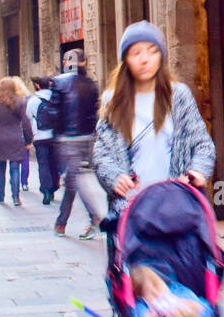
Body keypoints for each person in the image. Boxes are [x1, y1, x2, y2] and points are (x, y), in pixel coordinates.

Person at [92, 21, 216, 214]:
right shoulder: (113, 101)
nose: (145, 59)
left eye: (152, 51)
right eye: (136, 53)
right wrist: (115, 177)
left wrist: (197, 172)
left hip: (177, 207)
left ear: (161, 56)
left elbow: (203, 145)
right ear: (126, 59)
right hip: (132, 210)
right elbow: (102, 154)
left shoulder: (179, 96)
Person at [50, 49, 106, 239]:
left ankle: (94, 218)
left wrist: (56, 136)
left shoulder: (59, 82)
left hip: (69, 139)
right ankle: (61, 223)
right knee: (73, 180)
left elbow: (54, 113)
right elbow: (94, 112)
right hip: (87, 138)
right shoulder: (91, 84)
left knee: (73, 181)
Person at [0, 76, 33, 206]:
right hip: (15, 137)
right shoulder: (20, 101)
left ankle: (0, 195)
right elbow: (25, 122)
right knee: (15, 168)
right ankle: (16, 197)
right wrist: (28, 139)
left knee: (0, 168)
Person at [26, 75, 60, 205]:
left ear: (38, 85)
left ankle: (45, 190)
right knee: (54, 163)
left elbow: (28, 118)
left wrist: (30, 137)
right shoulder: (54, 99)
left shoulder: (33, 101)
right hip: (54, 136)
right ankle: (53, 188)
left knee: (43, 164)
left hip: (40, 136)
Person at [14, 77, 35, 191]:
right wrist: (29, 139)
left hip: (12, 134)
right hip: (23, 133)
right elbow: (27, 121)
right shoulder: (28, 99)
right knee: (25, 159)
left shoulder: (10, 100)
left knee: (14, 161)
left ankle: (15, 181)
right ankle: (24, 182)